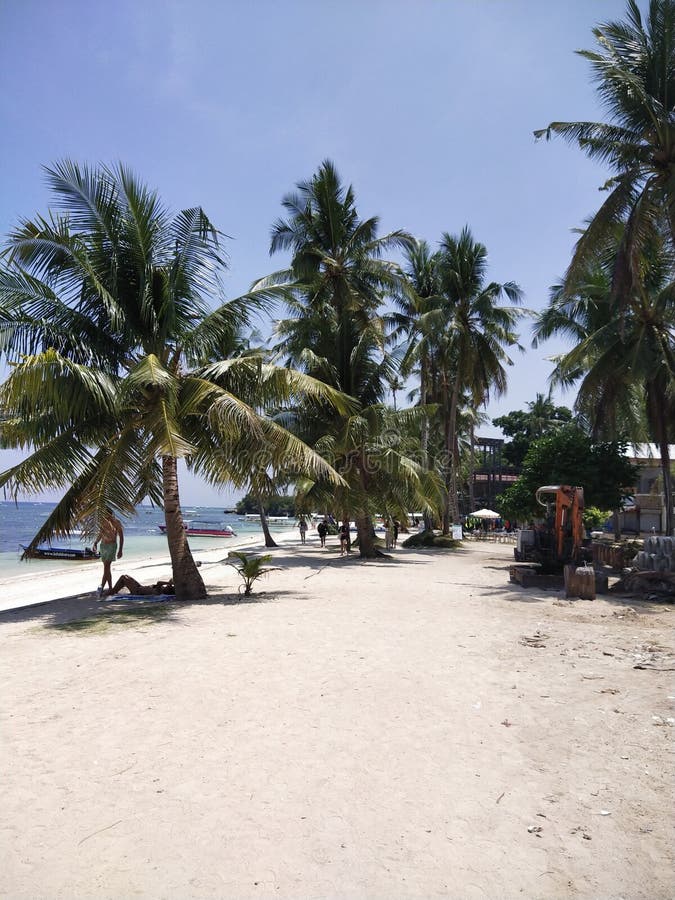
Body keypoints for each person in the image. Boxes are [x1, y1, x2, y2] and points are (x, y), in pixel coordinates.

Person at [92, 508, 124, 593]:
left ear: (111, 514)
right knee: (107, 568)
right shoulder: (102, 522)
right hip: (103, 546)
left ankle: (102, 586)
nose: (105, 516)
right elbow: (100, 534)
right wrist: (95, 543)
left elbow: (121, 537)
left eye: (107, 514)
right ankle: (110, 588)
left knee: (106, 566)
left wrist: (120, 550)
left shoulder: (117, 522)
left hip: (112, 546)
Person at [105, 574, 174, 597]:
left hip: (137, 591)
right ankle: (114, 591)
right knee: (126, 577)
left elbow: (159, 582)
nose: (167, 586)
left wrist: (171, 583)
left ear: (168, 590)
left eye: (168, 587)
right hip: (140, 587)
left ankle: (112, 591)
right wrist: (171, 583)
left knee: (123, 577)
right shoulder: (162, 589)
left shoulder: (160, 591)